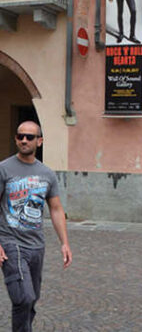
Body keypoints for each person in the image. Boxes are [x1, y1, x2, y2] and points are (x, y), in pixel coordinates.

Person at [0, 122, 64, 332]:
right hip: (10, 243)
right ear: (16, 139)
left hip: (37, 246)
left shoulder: (47, 173)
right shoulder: (4, 169)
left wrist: (65, 243)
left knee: (31, 298)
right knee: (23, 296)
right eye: (20, 136)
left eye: (29, 136)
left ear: (40, 141)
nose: (24, 140)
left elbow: (55, 208)